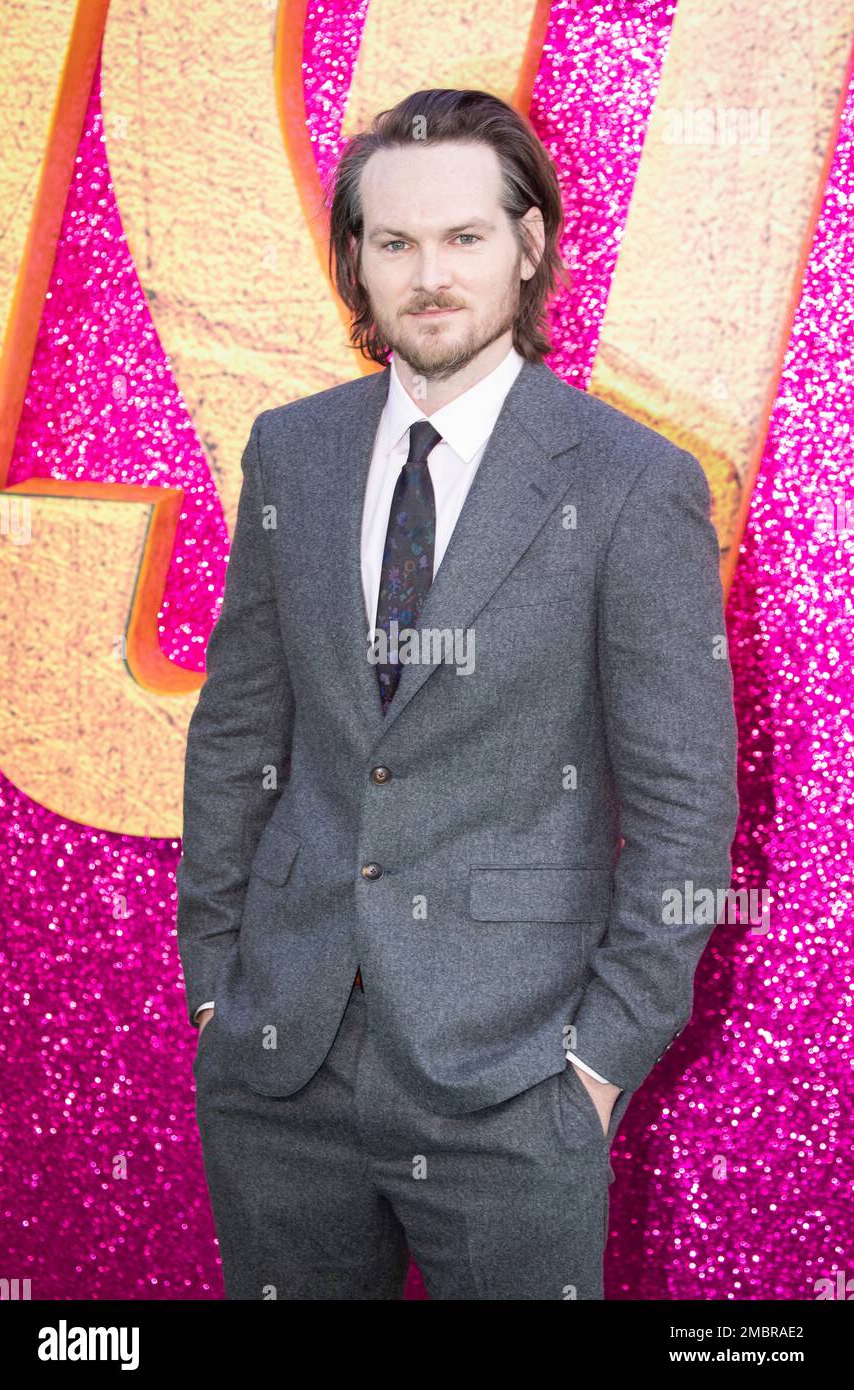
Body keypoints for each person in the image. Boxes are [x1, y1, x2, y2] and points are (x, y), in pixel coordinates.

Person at [176, 87, 739, 1300]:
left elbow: (686, 800)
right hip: (281, 1065)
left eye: (464, 237)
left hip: (516, 1082)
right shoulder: (293, 451)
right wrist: (217, 990)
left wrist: (596, 1063)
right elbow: (237, 732)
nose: (428, 274)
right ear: (356, 263)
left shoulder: (632, 483)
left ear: (527, 246)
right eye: (394, 242)